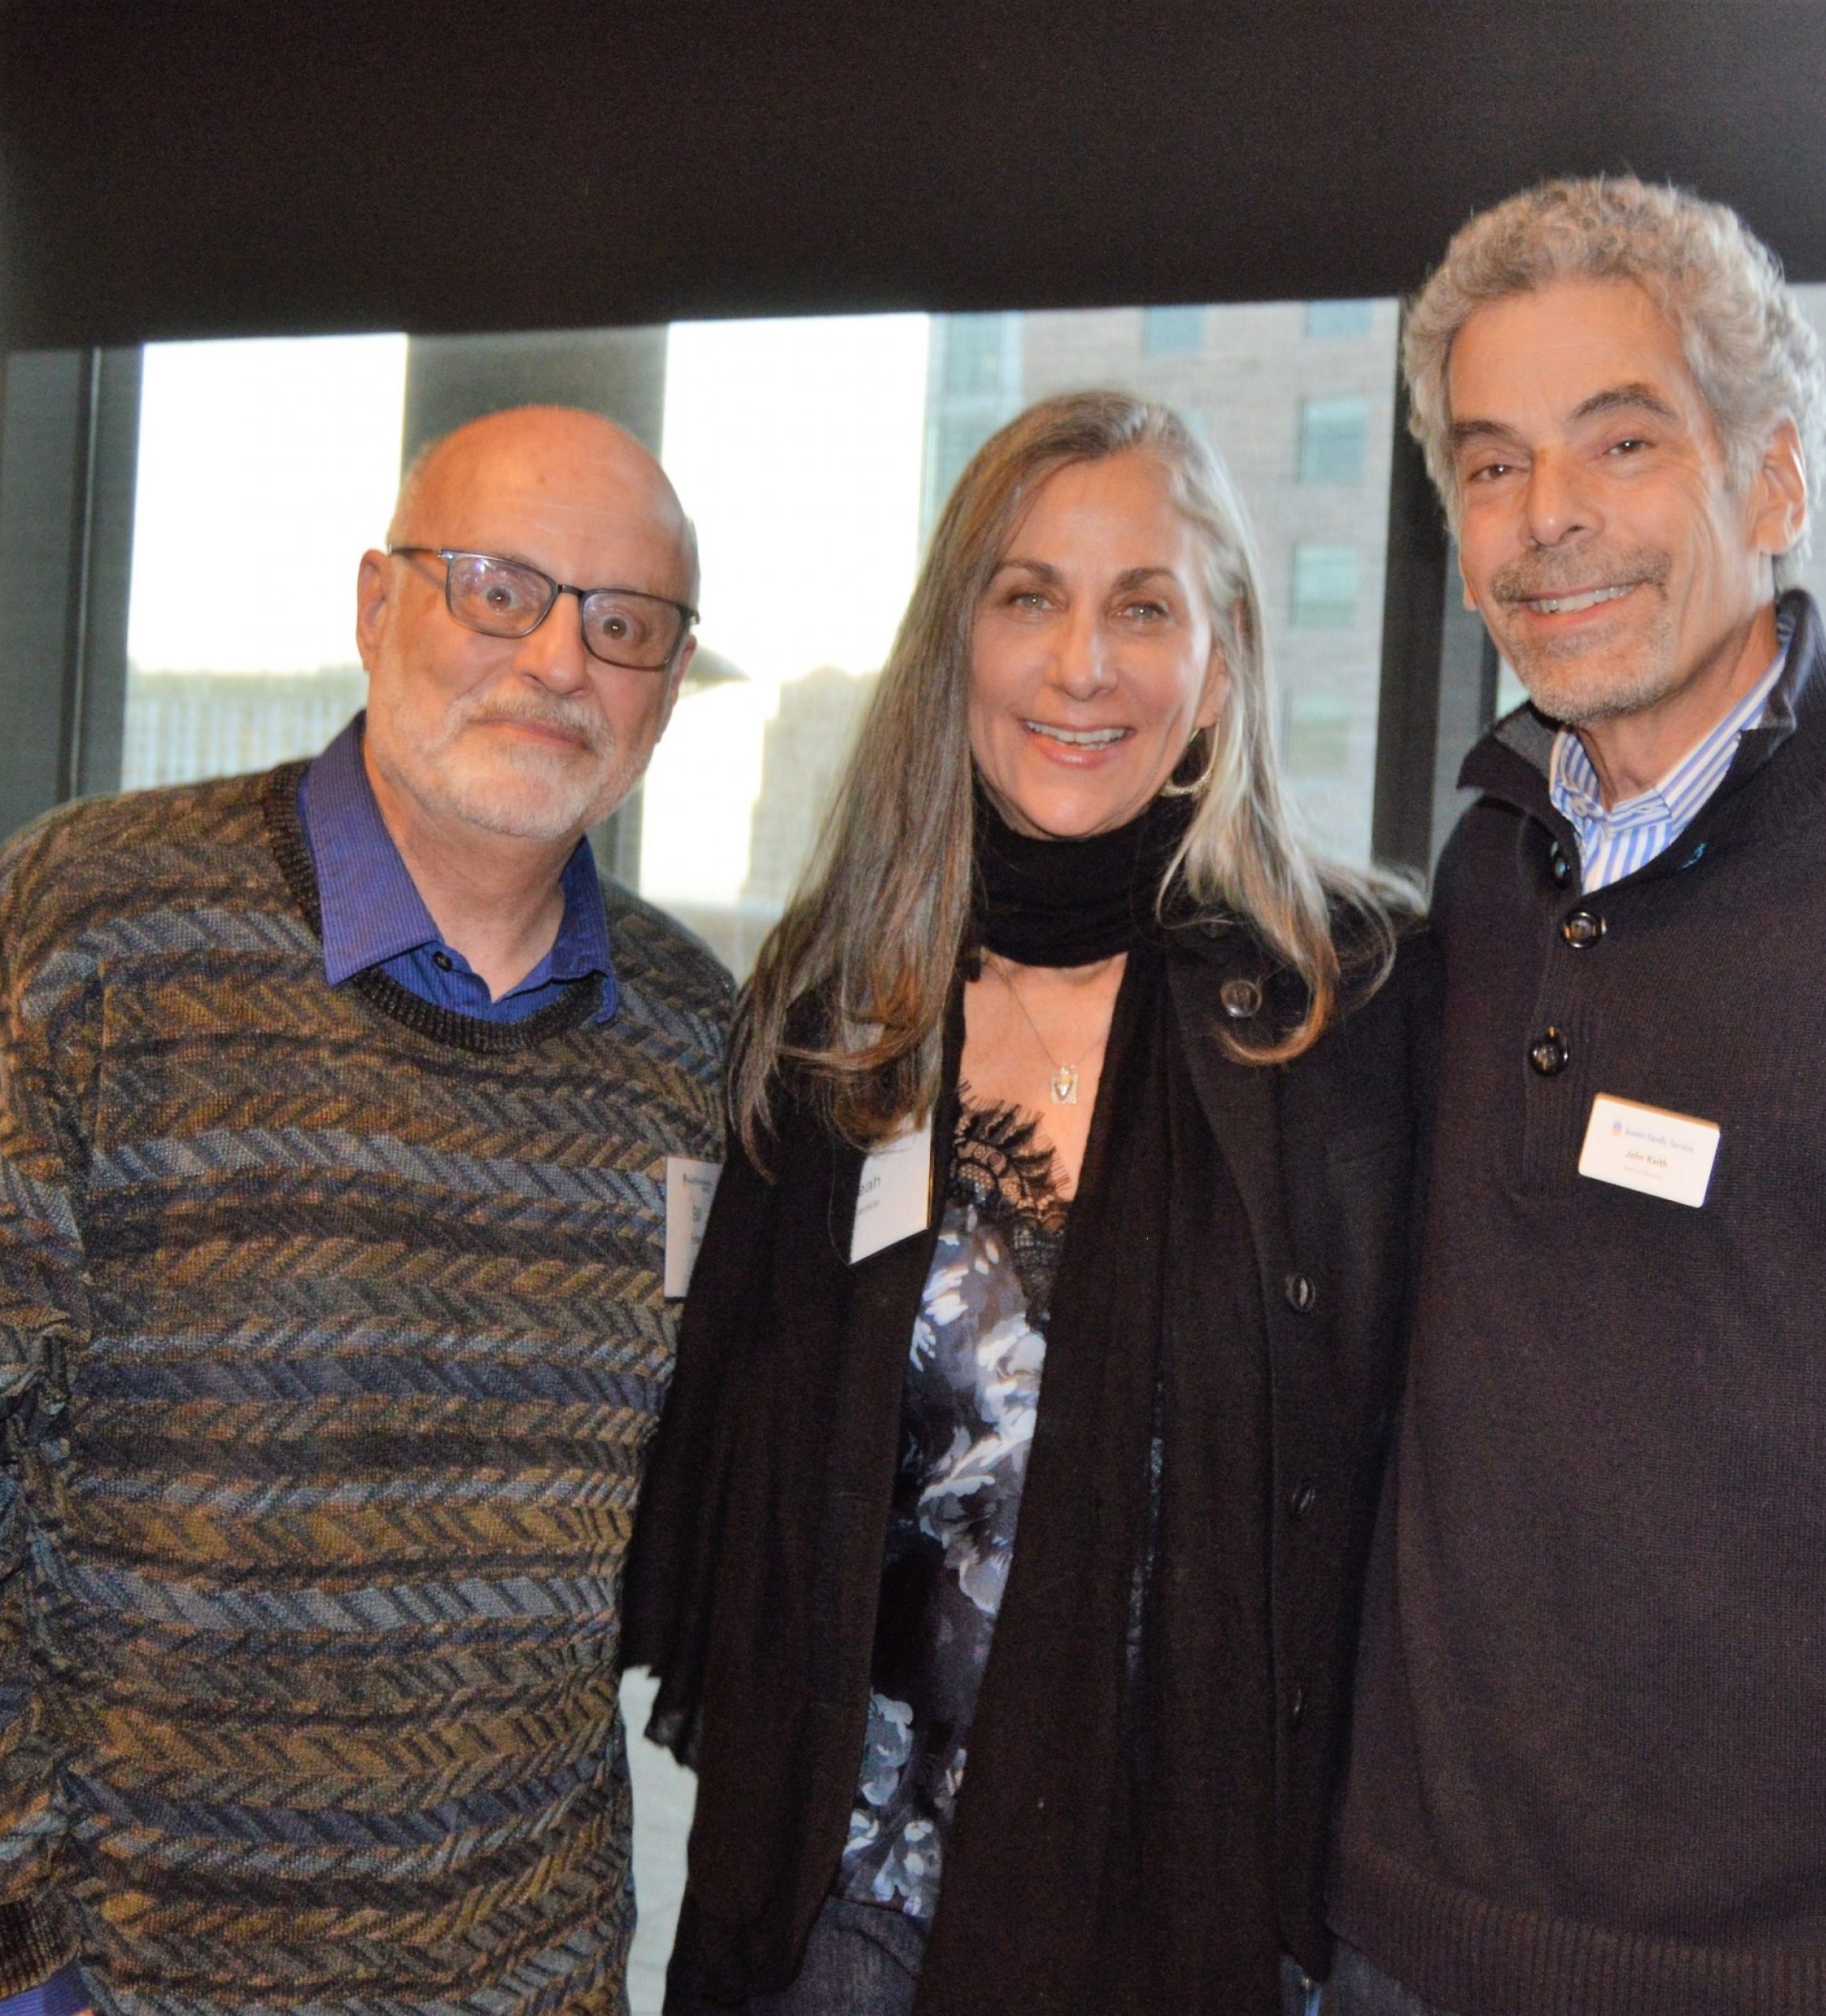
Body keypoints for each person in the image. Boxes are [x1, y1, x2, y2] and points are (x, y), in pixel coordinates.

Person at [622, 389, 1435, 2016]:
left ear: (1218, 666)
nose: (1081, 663)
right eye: (1028, 596)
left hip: (1203, 1912)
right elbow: (757, 1497)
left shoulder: (1355, 1006)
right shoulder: (838, 1006)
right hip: (846, 1903)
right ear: (958, 649)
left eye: (1142, 606)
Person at [1330, 176, 1826, 2016]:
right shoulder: (1482, 871)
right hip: (1397, 1934)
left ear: (1771, 482)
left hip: (1800, 1970)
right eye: (1487, 465)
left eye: (1617, 441)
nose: (1546, 518)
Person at [0, 405, 733, 2014]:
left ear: (668, 686)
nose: (555, 658)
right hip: (127, 1977)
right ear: (371, 602)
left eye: (624, 624)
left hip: (535, 1972)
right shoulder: (93, 931)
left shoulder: (699, 1041)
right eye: (496, 586)